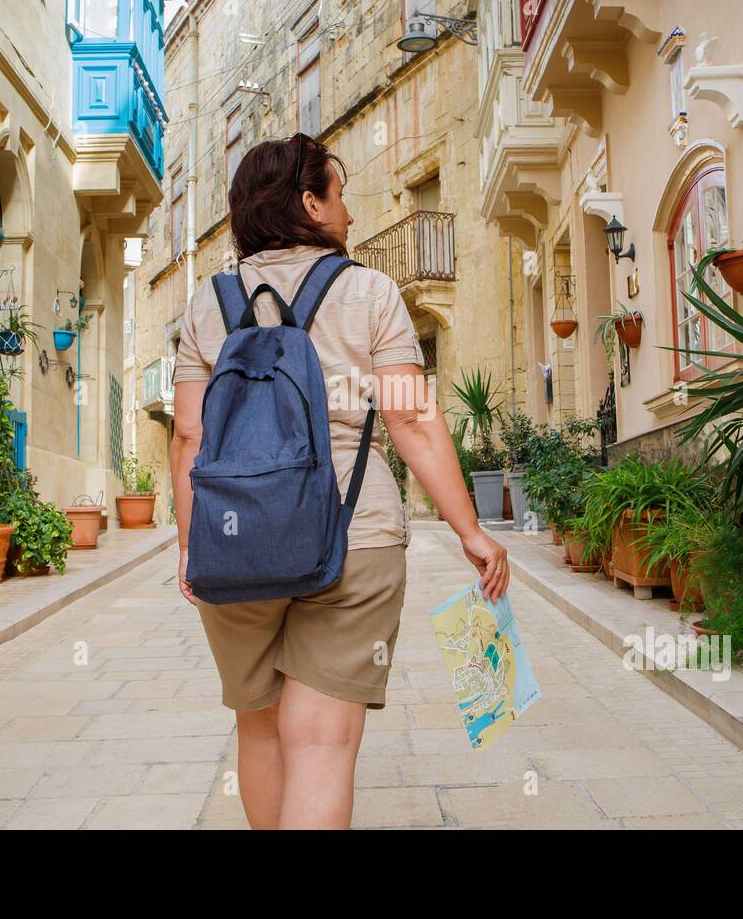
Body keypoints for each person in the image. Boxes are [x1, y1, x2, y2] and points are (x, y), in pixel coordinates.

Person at [168, 132, 508, 829]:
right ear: (309, 203)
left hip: (234, 541)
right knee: (319, 743)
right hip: (354, 537)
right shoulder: (369, 292)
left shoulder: (209, 303)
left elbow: (189, 437)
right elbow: (413, 424)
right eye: (340, 195)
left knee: (258, 728)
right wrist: (471, 532)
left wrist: (187, 543)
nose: (349, 214)